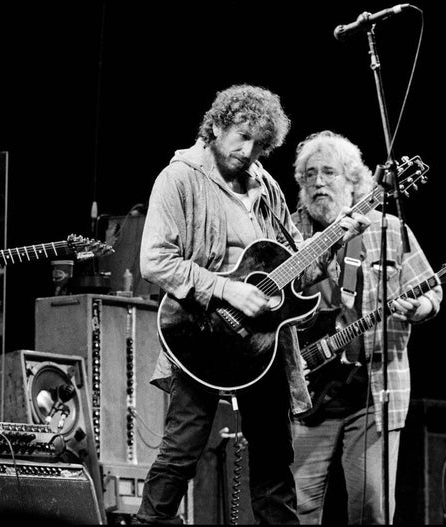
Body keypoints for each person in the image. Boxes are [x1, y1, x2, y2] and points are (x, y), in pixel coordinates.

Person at [134, 85, 370, 524]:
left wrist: (336, 237)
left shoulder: (267, 186)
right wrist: (228, 290)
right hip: (200, 333)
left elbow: (293, 262)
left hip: (263, 345)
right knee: (182, 451)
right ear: (217, 125)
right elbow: (155, 260)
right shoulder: (180, 177)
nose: (248, 152)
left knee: (275, 464)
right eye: (241, 137)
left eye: (260, 144)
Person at [289, 130, 442, 524]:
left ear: (354, 179)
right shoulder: (289, 234)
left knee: (372, 509)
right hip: (306, 394)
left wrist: (420, 307)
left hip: (375, 390)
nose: (318, 182)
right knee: (296, 509)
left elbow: (431, 287)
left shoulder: (389, 228)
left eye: (329, 172)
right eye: (309, 175)